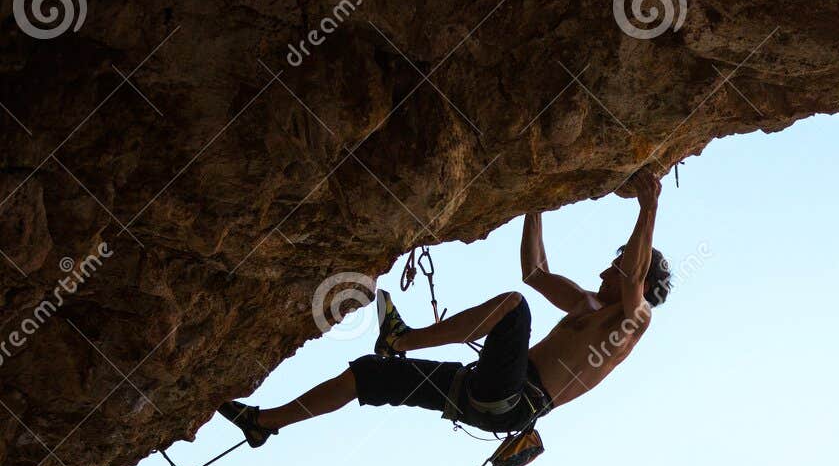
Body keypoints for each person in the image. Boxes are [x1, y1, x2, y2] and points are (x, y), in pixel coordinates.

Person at [218, 169, 670, 448]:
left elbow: (631, 275)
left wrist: (648, 208)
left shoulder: (633, 321)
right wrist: (536, 205)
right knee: (367, 377)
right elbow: (534, 271)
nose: (604, 272)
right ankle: (263, 422)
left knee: (515, 309)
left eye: (612, 268)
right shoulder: (587, 305)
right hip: (484, 392)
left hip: (513, 399)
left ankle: (402, 338)